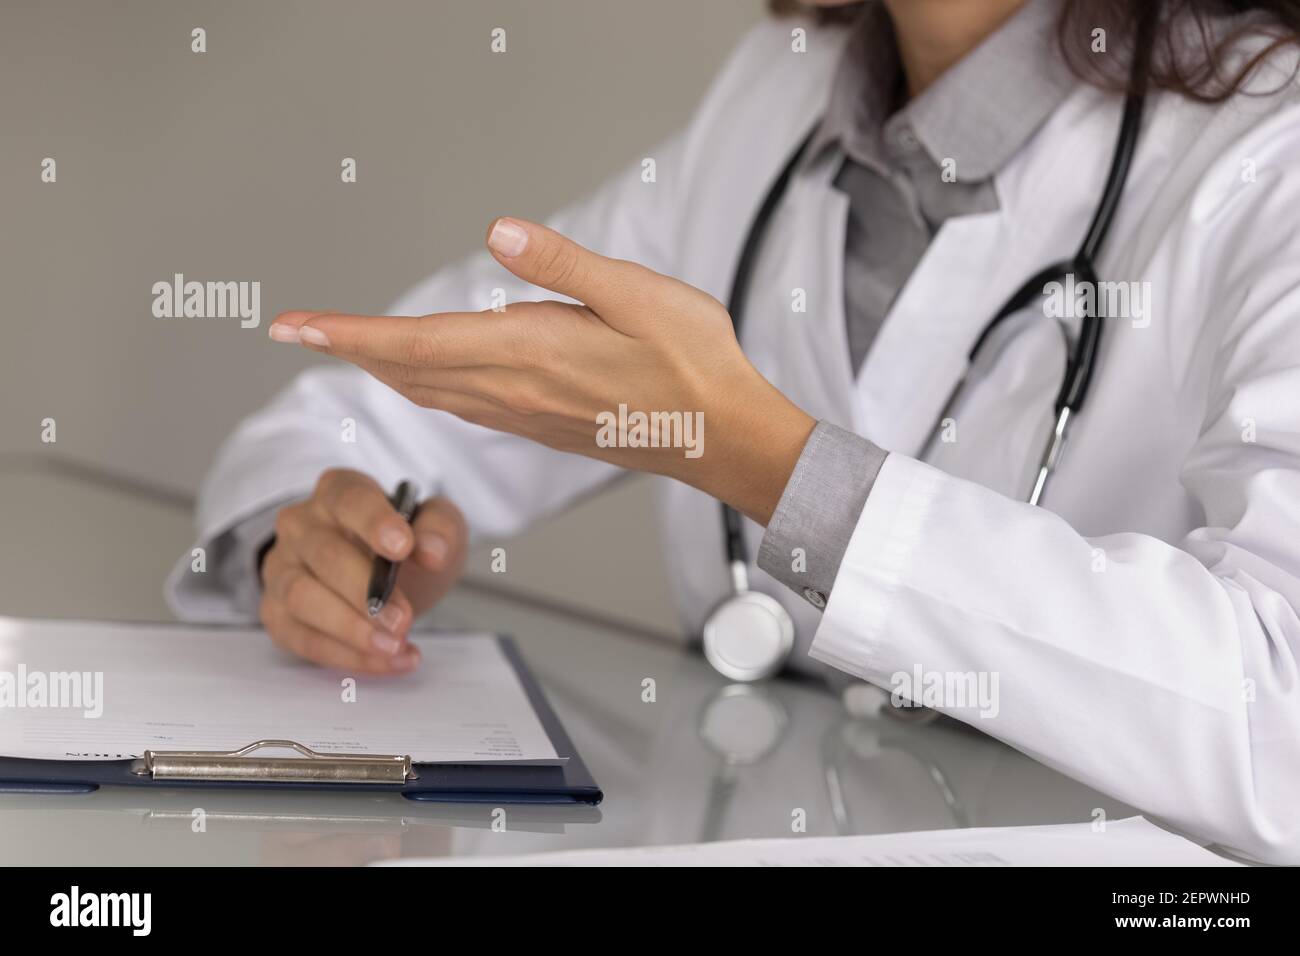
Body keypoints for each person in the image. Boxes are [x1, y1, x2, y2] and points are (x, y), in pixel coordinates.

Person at [168, 0, 1300, 863]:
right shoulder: (779, 94)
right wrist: (321, 545)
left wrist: (775, 467)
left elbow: (1279, 720)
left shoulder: (1269, 154)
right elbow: (383, 405)